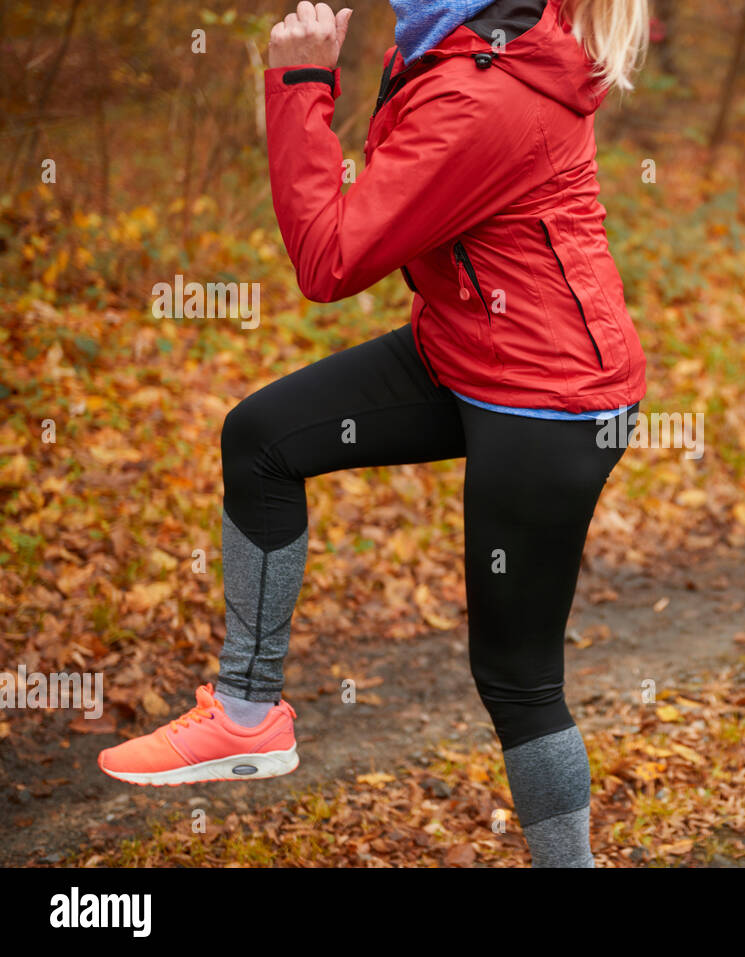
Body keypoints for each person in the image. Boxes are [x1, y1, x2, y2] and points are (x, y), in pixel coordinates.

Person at [98, 0, 650, 869]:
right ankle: (247, 716)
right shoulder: (463, 38)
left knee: (518, 679)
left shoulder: (483, 93)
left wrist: (303, 82)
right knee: (263, 436)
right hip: (468, 344)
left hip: (554, 397)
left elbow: (331, 260)